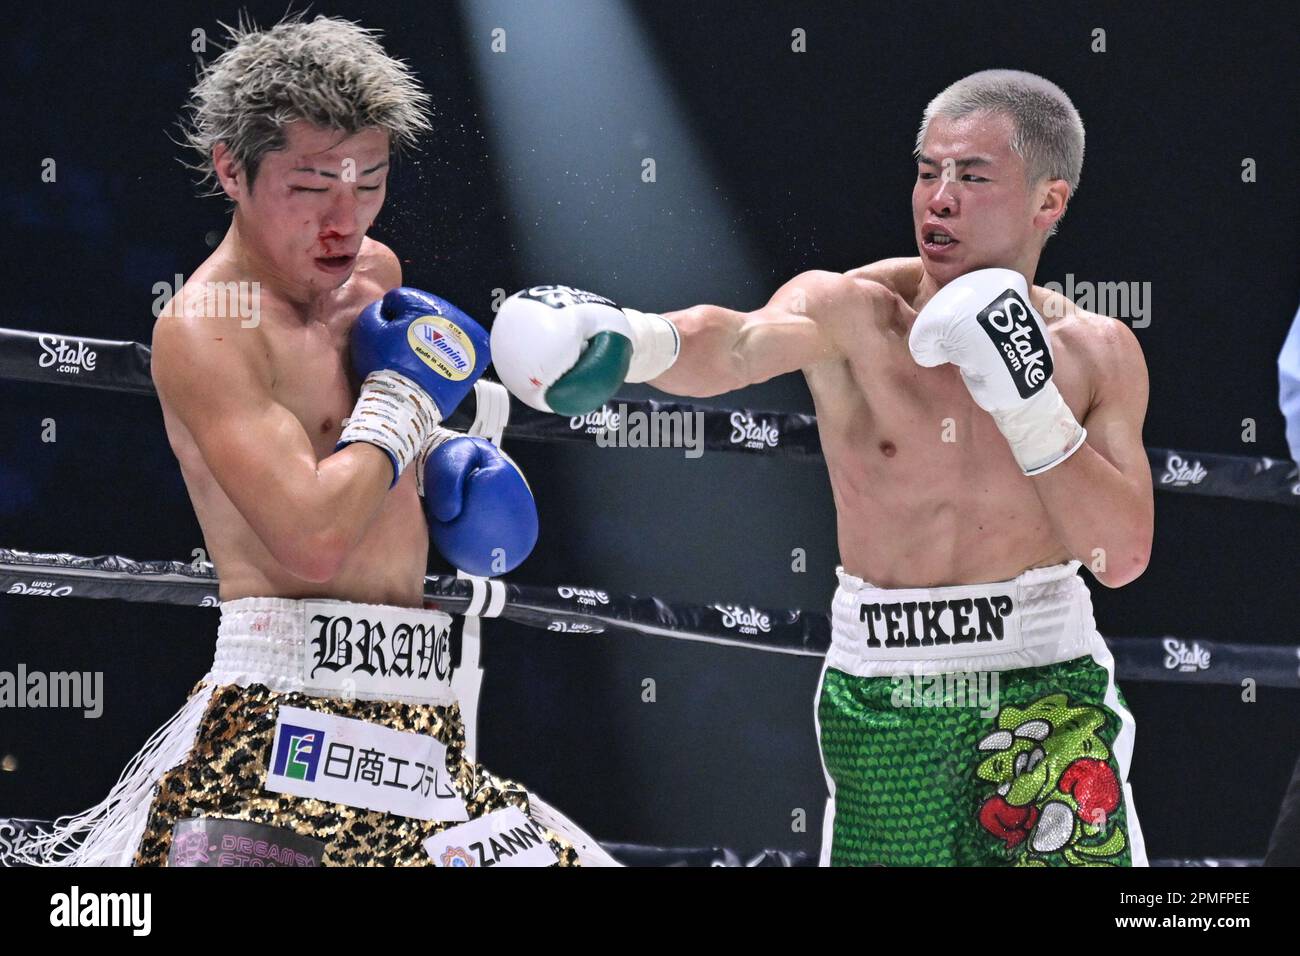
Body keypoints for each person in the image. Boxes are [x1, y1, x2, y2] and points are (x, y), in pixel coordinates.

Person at [490, 70, 1152, 866]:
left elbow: (1123, 557)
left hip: (1044, 678)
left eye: (972, 176)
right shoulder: (855, 313)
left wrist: (1028, 402)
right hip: (884, 689)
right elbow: (735, 342)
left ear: (1050, 202)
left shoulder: (1096, 352)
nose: (938, 198)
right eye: (926, 170)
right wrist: (632, 338)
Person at [4, 13, 612, 868]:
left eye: (370, 182)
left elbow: (365, 456)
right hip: (284, 732)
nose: (345, 219)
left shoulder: (378, 280)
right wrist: (405, 401)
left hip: (424, 728)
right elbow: (316, 538)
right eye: (312, 185)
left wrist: (440, 459)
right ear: (231, 168)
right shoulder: (208, 330)